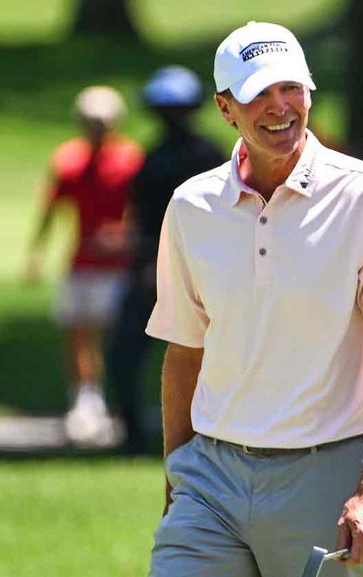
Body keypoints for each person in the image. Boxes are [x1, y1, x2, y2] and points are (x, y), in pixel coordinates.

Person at [129, 21, 363, 577]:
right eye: (260, 92)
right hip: (212, 479)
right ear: (226, 106)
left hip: (324, 478)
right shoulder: (193, 206)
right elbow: (183, 350)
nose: (280, 106)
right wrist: (177, 468)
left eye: (293, 88)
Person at [107, 66, 226, 455]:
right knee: (124, 352)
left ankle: (212, 434)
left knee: (212, 355)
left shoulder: (206, 156)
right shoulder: (152, 158)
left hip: (203, 271)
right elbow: (143, 219)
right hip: (149, 270)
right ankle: (133, 436)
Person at [25, 85, 143, 444]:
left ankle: (113, 403)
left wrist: (124, 237)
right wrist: (36, 251)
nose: (97, 128)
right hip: (81, 263)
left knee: (112, 337)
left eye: (103, 122)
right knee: (77, 333)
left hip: (117, 266)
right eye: (91, 121)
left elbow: (143, 211)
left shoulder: (130, 160)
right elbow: (52, 206)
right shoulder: (69, 160)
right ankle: (84, 402)